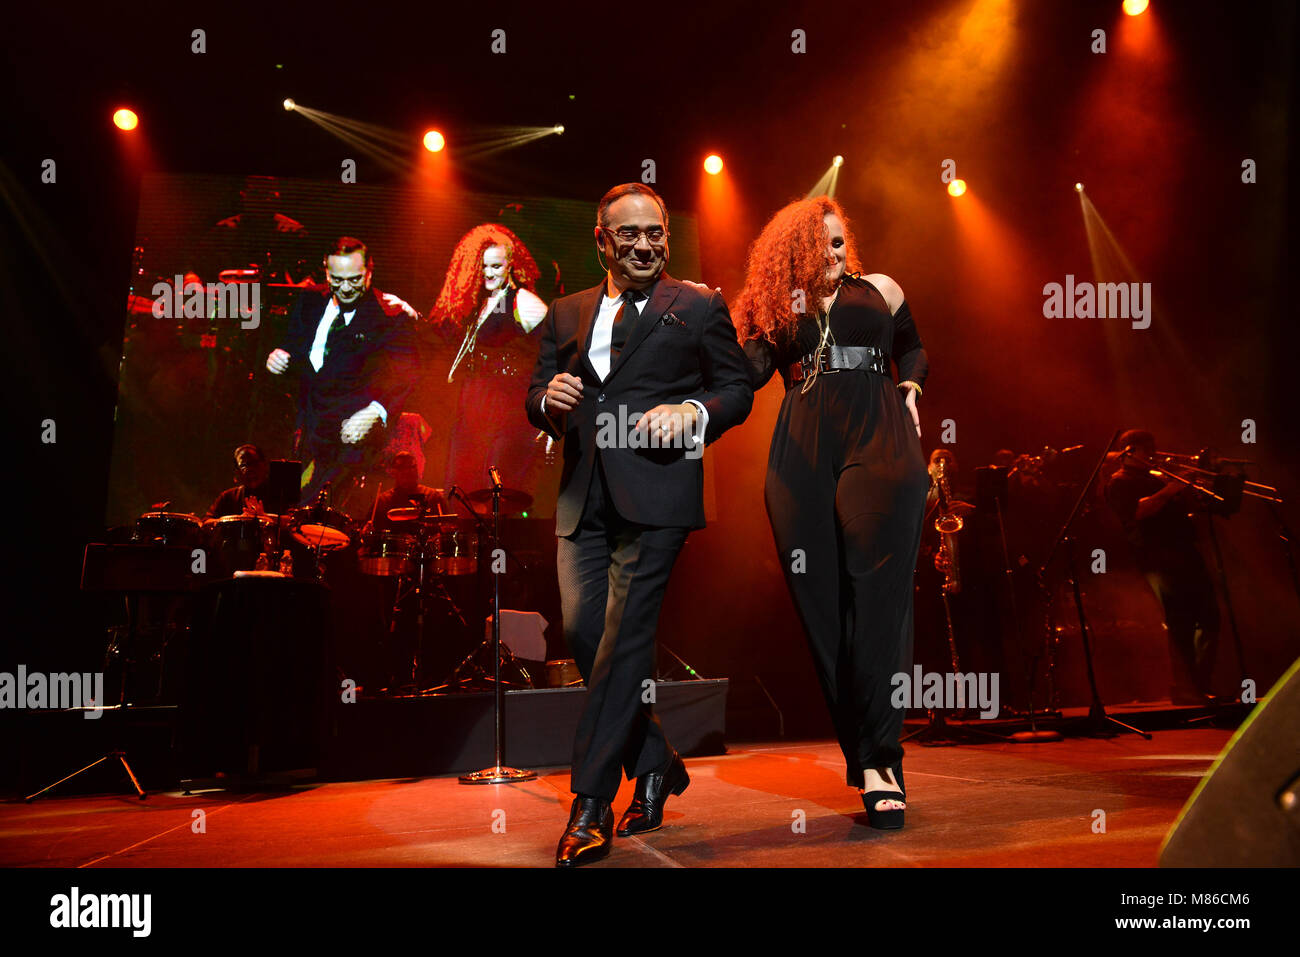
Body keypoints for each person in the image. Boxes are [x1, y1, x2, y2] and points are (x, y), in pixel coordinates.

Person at [525, 183, 753, 866]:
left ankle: (589, 801)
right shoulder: (564, 313)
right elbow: (536, 393)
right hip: (582, 496)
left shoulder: (699, 304)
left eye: (656, 232)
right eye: (630, 234)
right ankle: (655, 759)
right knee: (584, 632)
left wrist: (695, 413)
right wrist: (547, 401)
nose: (647, 244)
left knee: (624, 638)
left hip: (658, 495)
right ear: (602, 240)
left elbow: (737, 387)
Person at [734, 195, 929, 829]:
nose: (839, 252)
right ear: (797, 251)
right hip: (803, 445)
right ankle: (862, 750)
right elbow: (750, 374)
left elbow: (915, 348)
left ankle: (882, 760)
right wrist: (719, 326)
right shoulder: (776, 305)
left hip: (879, 434)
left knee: (876, 597)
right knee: (822, 605)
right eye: (826, 244)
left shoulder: (880, 289)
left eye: (843, 241)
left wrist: (912, 384)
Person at [265, 237, 419, 513]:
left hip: (349, 442)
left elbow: (405, 375)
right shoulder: (310, 301)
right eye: (337, 279)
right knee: (281, 515)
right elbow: (292, 343)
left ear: (369, 272)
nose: (346, 288)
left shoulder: (390, 314)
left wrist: (374, 411)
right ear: (326, 272)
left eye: (355, 279)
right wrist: (278, 355)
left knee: (329, 523)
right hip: (301, 431)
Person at [1103, 429, 1220, 705]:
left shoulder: (1156, 478)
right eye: (1146, 450)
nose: (1152, 455)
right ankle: (1185, 688)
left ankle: (1198, 685)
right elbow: (1137, 512)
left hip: (1185, 552)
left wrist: (1197, 492)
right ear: (1128, 452)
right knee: (1179, 622)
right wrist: (1171, 490)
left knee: (1210, 617)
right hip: (1157, 557)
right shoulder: (1120, 481)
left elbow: (1186, 507)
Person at [431, 224, 548, 495]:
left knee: (494, 490)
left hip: (506, 412)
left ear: (510, 265)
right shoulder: (481, 304)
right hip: (473, 409)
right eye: (482, 266)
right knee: (461, 487)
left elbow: (555, 354)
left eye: (496, 266)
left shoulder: (524, 301)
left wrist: (548, 412)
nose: (488, 273)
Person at [366, 451, 447, 533]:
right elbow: (369, 532)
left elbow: (447, 529)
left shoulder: (433, 497)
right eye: (402, 468)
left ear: (417, 470)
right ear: (393, 472)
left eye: (412, 467)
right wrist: (367, 531)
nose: (407, 471)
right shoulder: (382, 501)